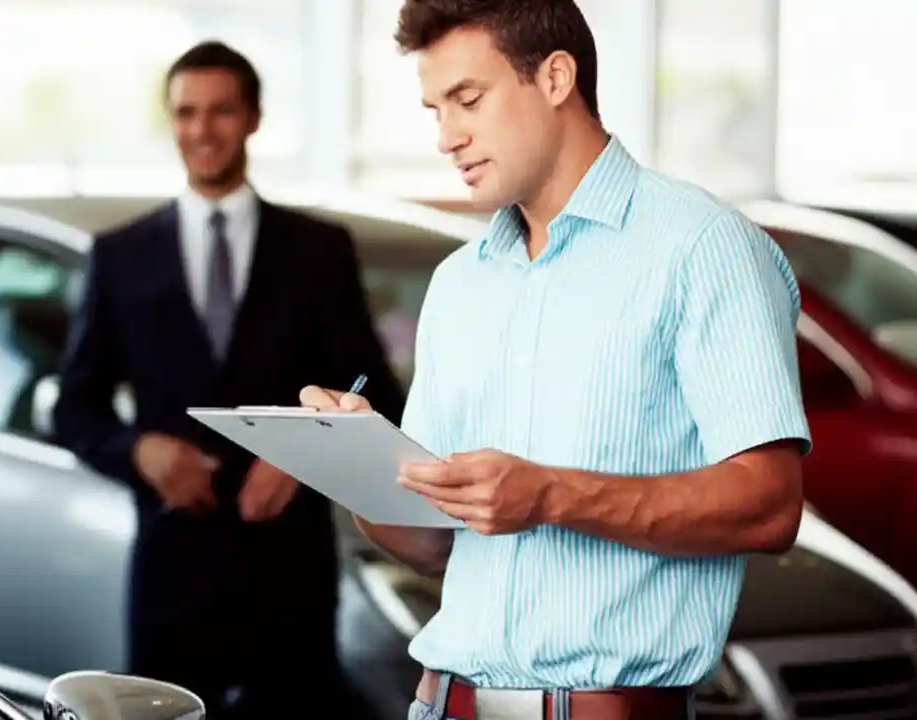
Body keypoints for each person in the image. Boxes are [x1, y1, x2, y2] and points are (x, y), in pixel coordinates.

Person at [300, 2, 810, 718]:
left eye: (467, 100)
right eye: (434, 110)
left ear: (556, 77)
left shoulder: (702, 248)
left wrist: (550, 495)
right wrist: (359, 466)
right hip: (441, 704)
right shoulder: (459, 283)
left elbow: (769, 504)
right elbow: (430, 546)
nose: (447, 137)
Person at [52, 40, 404, 719]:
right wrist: (139, 451)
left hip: (291, 579)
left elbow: (370, 385)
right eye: (186, 113)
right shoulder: (119, 256)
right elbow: (74, 407)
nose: (202, 130)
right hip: (171, 577)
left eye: (220, 112)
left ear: (252, 119)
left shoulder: (318, 251)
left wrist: (307, 451)